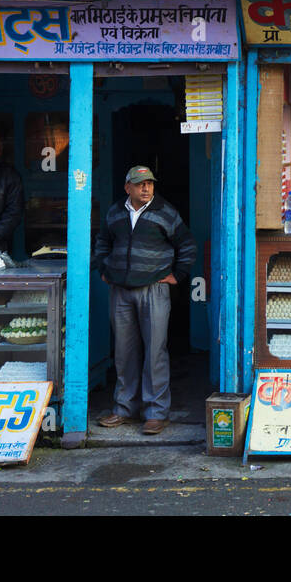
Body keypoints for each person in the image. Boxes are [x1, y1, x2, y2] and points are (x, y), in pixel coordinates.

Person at [94, 166, 196, 435]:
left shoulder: (166, 212)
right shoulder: (115, 211)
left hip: (153, 288)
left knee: (155, 352)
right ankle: (124, 408)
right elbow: (102, 241)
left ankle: (155, 412)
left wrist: (178, 275)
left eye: (150, 183)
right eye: (140, 184)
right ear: (128, 187)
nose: (146, 188)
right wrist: (104, 269)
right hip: (121, 289)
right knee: (124, 352)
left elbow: (186, 244)